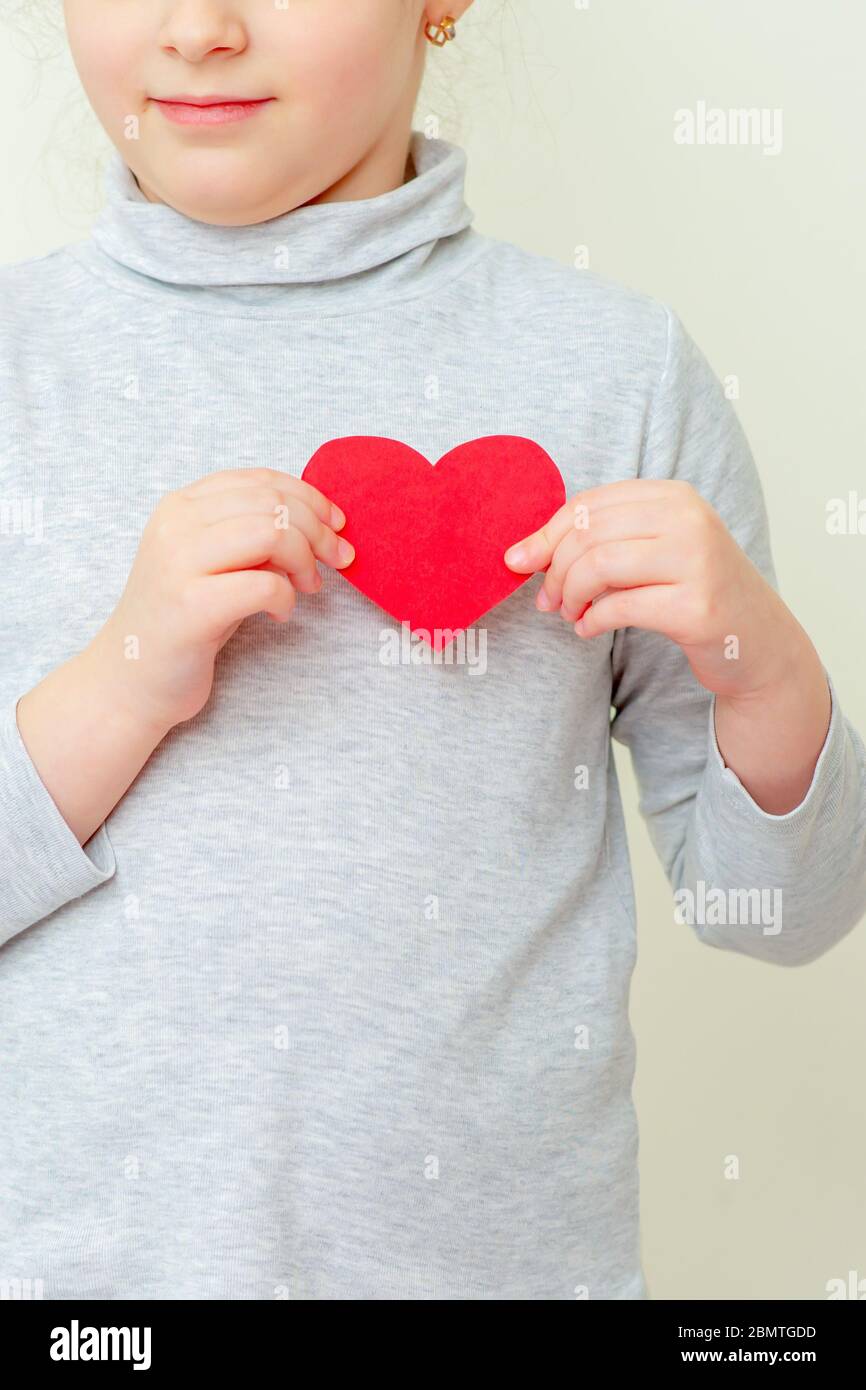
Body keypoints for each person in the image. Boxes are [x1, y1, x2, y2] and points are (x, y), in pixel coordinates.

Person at [1, 0, 863, 1300]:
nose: (195, 27)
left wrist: (766, 668)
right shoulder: (22, 368)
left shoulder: (612, 371)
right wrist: (124, 676)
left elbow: (782, 917)